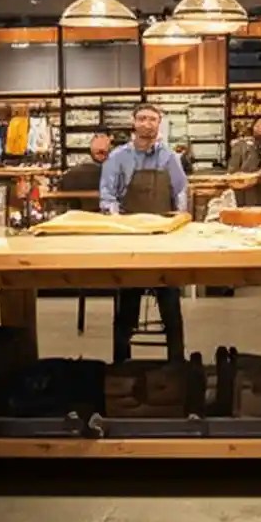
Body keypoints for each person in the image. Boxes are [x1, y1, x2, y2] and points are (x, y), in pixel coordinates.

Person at [99, 104, 187, 363]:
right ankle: (121, 366)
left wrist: (180, 220)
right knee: (127, 301)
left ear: (159, 124)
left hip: (163, 237)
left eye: (153, 119)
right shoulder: (117, 157)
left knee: (170, 300)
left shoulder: (170, 157)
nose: (147, 123)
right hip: (130, 237)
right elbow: (107, 195)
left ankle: (176, 363)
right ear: (133, 122)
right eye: (143, 118)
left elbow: (180, 191)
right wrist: (117, 224)